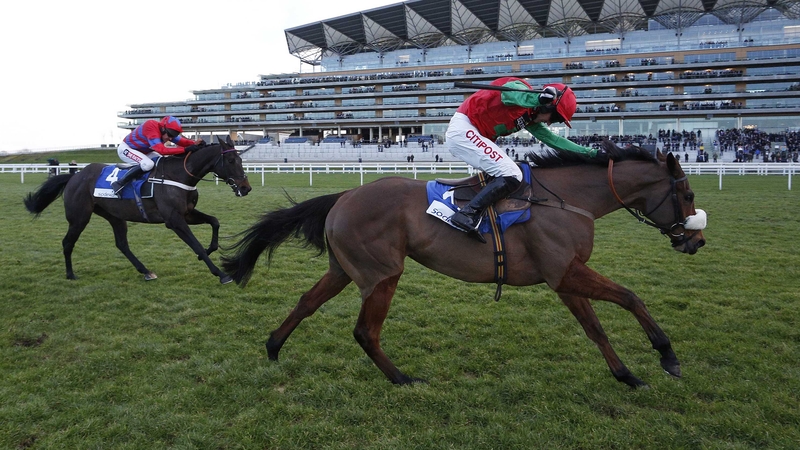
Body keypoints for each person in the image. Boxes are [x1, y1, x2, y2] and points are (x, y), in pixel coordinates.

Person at [445, 77, 600, 242]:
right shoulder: (520, 88)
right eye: (555, 118)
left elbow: (554, 141)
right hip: (464, 129)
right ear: (548, 105)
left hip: (471, 133)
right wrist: (538, 98)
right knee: (512, 173)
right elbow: (509, 95)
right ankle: (466, 214)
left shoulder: (530, 117)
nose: (549, 123)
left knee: (508, 173)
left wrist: (589, 153)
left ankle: (481, 216)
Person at [112, 116, 203, 194]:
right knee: (148, 164)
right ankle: (120, 183)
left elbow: (181, 141)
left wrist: (195, 143)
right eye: (170, 135)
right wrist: (185, 149)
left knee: (164, 161)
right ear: (163, 128)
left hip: (144, 152)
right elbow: (162, 150)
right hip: (127, 149)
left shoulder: (166, 131)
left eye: (173, 136)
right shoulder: (151, 127)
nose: (170, 138)